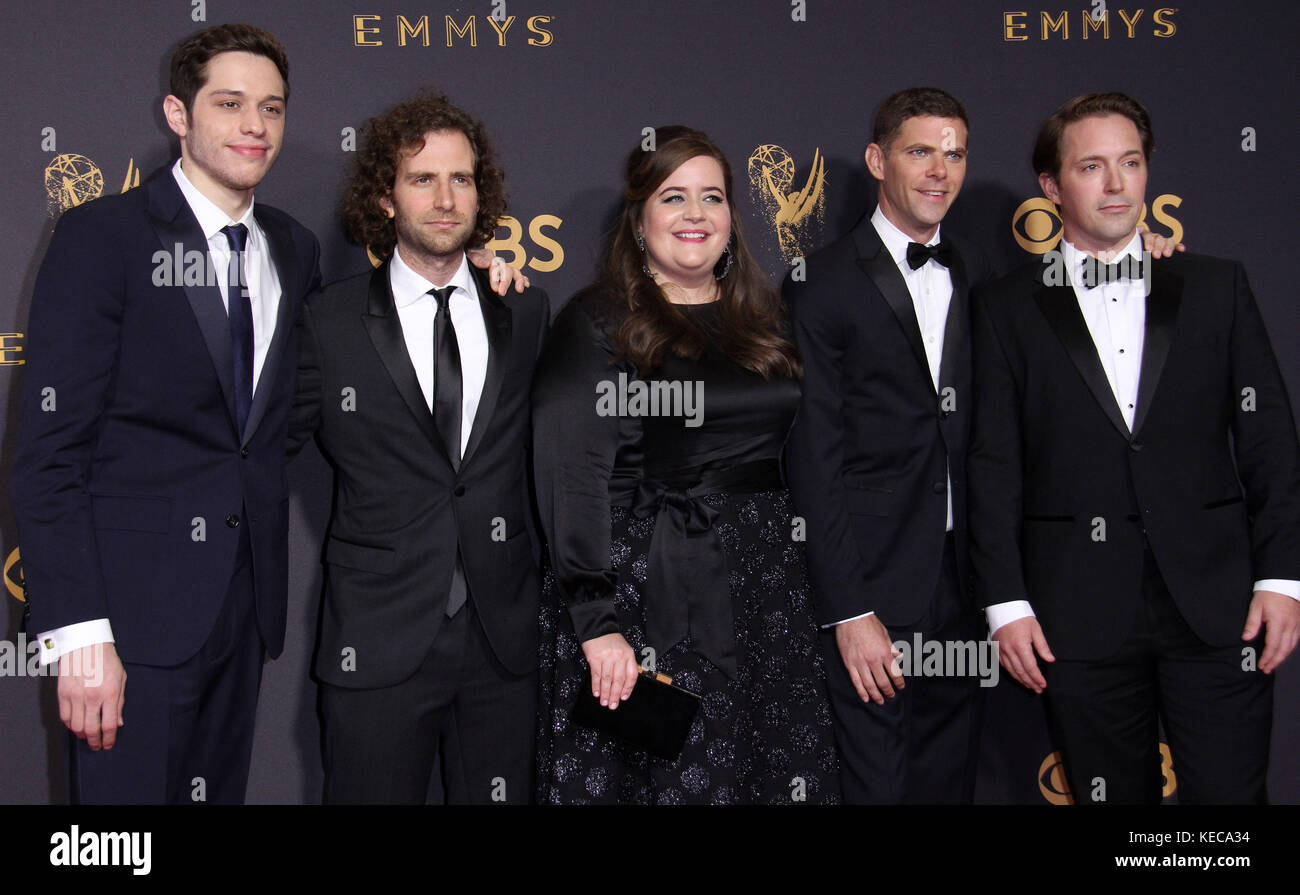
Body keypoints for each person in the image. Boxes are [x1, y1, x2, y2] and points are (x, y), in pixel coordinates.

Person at [10, 24, 320, 804]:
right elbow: (50, 451)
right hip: (129, 624)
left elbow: (289, 415)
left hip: (243, 612)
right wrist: (81, 637)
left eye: (273, 108)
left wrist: (477, 271)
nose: (256, 125)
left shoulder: (294, 247)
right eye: (230, 103)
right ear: (177, 115)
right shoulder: (102, 236)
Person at [969, 92, 1300, 804]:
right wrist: (1005, 603)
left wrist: (1282, 578)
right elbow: (993, 466)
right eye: (1092, 166)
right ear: (1053, 187)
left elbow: (1271, 441)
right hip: (1075, 612)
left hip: (1219, 603)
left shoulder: (1216, 286)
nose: (1116, 184)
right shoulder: (1003, 308)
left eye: (1130, 163)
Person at [532, 126, 840, 804]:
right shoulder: (599, 321)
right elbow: (571, 474)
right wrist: (597, 619)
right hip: (646, 587)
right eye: (674, 197)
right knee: (665, 775)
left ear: (733, 216)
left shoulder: (764, 319)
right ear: (640, 221)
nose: (695, 215)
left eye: (713, 197)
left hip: (764, 585)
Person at [288, 91, 549, 804]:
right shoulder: (327, 319)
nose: (444, 198)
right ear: (383, 196)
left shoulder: (523, 308)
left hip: (503, 642)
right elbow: (260, 450)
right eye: (421, 178)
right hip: (376, 638)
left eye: (461, 178)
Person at [783, 88, 991, 804]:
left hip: (966, 586)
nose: (940, 170)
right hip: (873, 591)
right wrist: (848, 609)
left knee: (948, 784)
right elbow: (812, 455)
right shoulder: (821, 283)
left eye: (955, 153)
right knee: (876, 790)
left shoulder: (979, 273)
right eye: (920, 151)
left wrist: (1149, 257)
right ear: (878, 159)